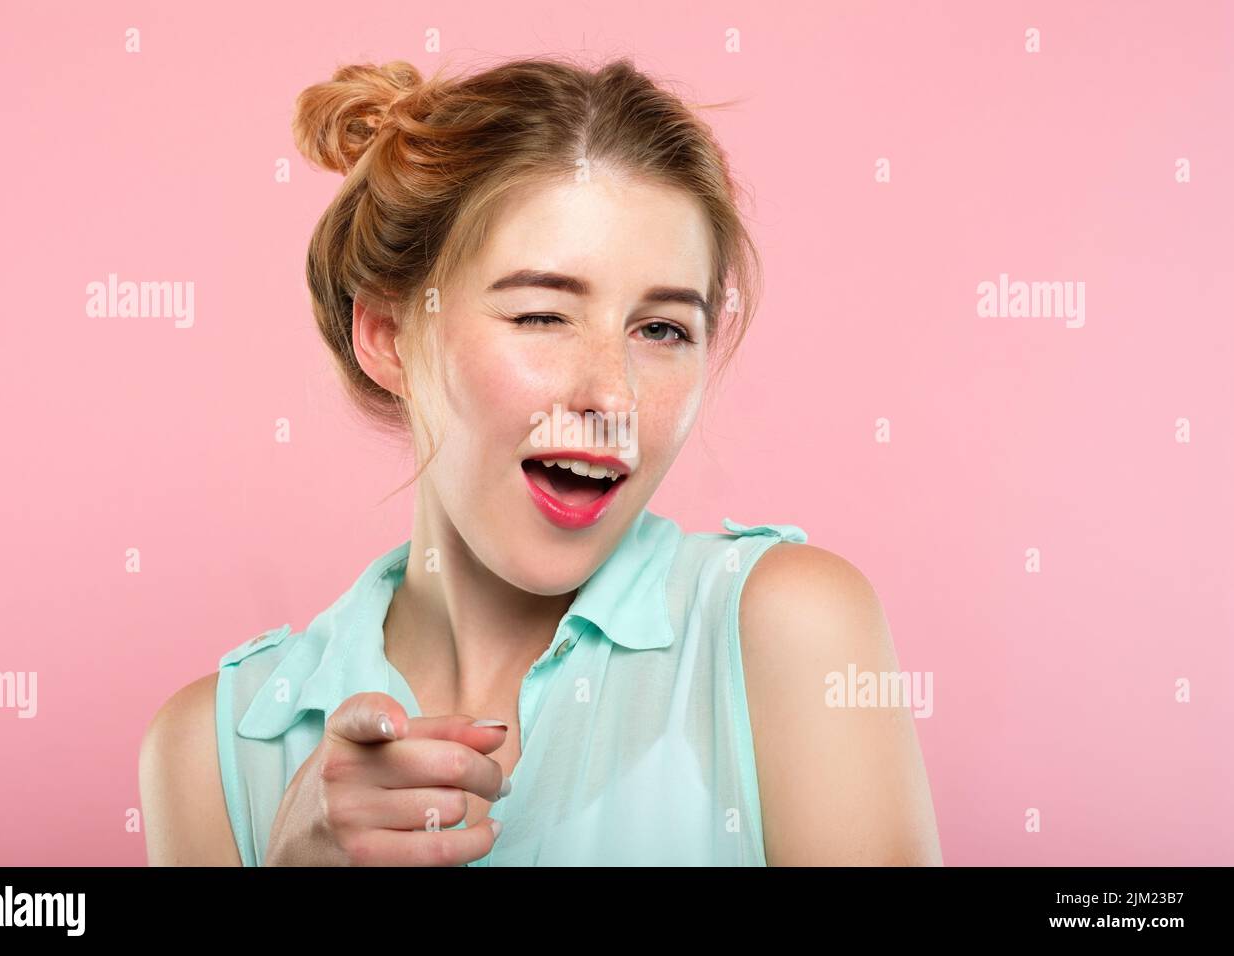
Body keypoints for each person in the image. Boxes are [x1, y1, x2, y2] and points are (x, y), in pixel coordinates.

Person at [138, 55, 944, 866]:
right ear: (388, 335)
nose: (613, 397)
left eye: (662, 329)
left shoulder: (786, 629)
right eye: (540, 316)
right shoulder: (211, 752)